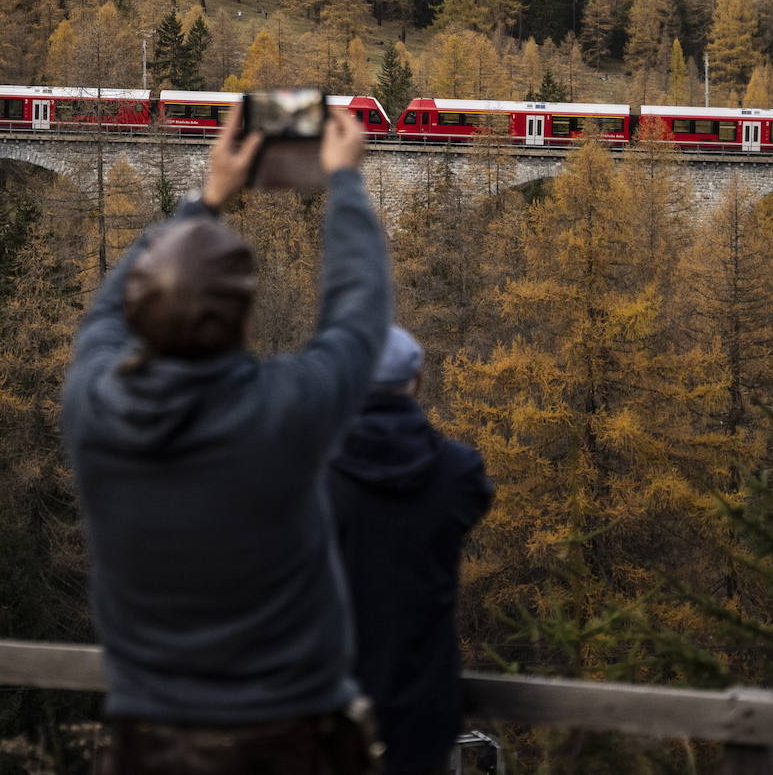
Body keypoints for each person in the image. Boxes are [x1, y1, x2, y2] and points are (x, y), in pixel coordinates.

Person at [62, 106, 392, 774]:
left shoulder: (92, 404)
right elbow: (358, 314)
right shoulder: (281, 411)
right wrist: (346, 185)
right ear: (245, 312)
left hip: (144, 740)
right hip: (289, 741)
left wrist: (205, 199)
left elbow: (106, 310)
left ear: (138, 308)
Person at [328, 327, 495, 775]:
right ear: (418, 380)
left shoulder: (311, 472)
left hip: (326, 696)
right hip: (423, 701)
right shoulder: (459, 472)